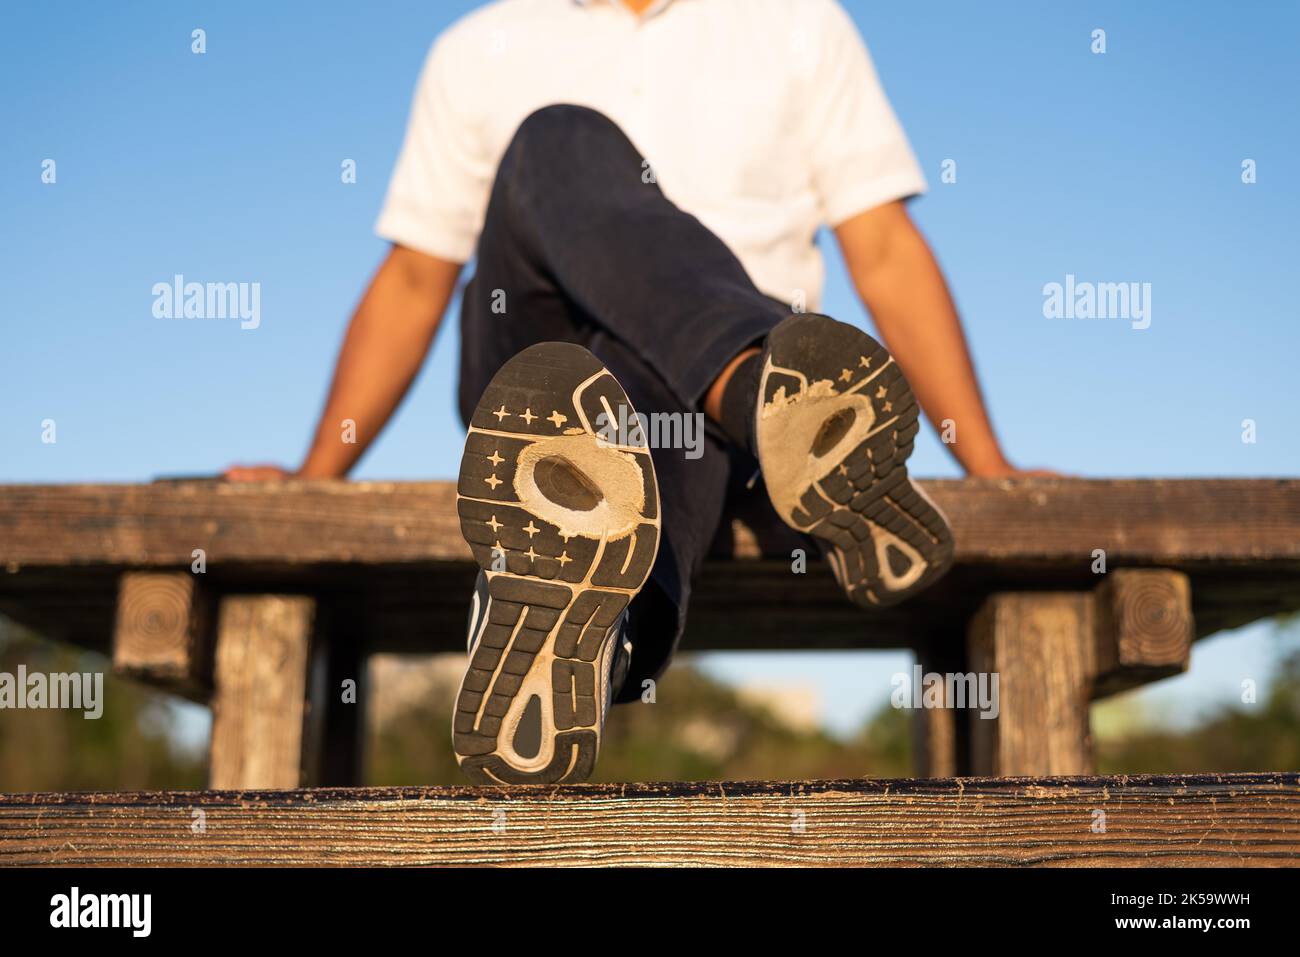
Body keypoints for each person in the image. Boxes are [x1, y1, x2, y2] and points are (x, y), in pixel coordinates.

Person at [226, 0, 1045, 784]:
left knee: (648, 379)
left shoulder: (801, 24)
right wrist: (313, 475)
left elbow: (888, 252)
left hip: (684, 433)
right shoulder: (479, 48)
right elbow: (412, 281)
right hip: (533, 382)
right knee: (558, 136)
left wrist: (991, 466)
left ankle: (608, 627)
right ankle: (760, 396)